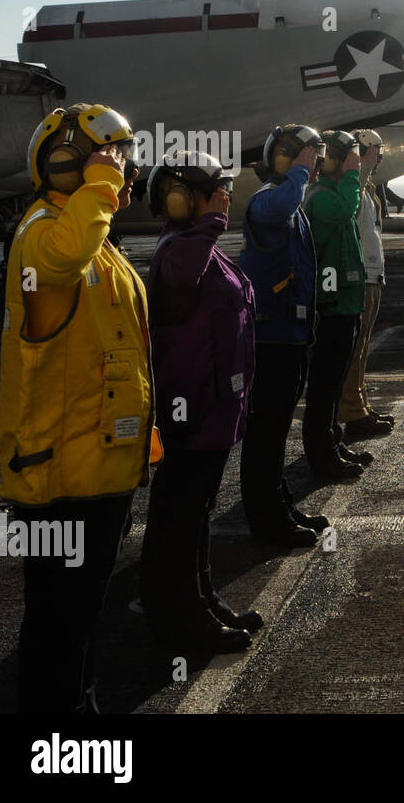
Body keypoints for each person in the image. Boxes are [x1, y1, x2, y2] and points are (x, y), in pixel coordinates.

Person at [1, 103, 151, 712]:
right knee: (57, 629)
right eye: (111, 158)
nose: (122, 173)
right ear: (68, 164)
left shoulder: (91, 235)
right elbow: (63, 260)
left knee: (81, 622)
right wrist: (101, 185)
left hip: (99, 466)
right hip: (61, 473)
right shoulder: (45, 230)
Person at [139, 150, 258, 653]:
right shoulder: (180, 249)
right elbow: (187, 272)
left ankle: (202, 599)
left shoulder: (196, 243)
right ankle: (181, 619)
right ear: (183, 200)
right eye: (214, 192)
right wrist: (208, 221)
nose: (225, 199)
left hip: (212, 404)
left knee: (195, 510)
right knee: (181, 514)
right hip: (192, 406)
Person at [239, 124, 331, 546]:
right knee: (266, 432)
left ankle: (279, 504)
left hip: (289, 335)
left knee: (277, 430)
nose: (314, 166)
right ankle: (268, 520)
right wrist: (298, 171)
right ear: (285, 159)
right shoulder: (267, 202)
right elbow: (280, 206)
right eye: (308, 157)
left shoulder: (288, 203)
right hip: (271, 337)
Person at [302, 130, 373, 476]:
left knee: (334, 378)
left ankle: (333, 441)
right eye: (347, 156)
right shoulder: (323, 197)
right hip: (331, 307)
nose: (353, 161)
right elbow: (348, 209)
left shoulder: (329, 192)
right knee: (325, 383)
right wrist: (353, 174)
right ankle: (322, 453)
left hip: (345, 303)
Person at [339, 128, 396, 440]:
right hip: (361, 277)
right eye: (375, 151)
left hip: (372, 276)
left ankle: (358, 404)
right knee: (355, 348)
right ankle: (351, 410)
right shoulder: (354, 184)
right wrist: (361, 160)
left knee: (361, 350)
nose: (378, 157)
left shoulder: (366, 187)